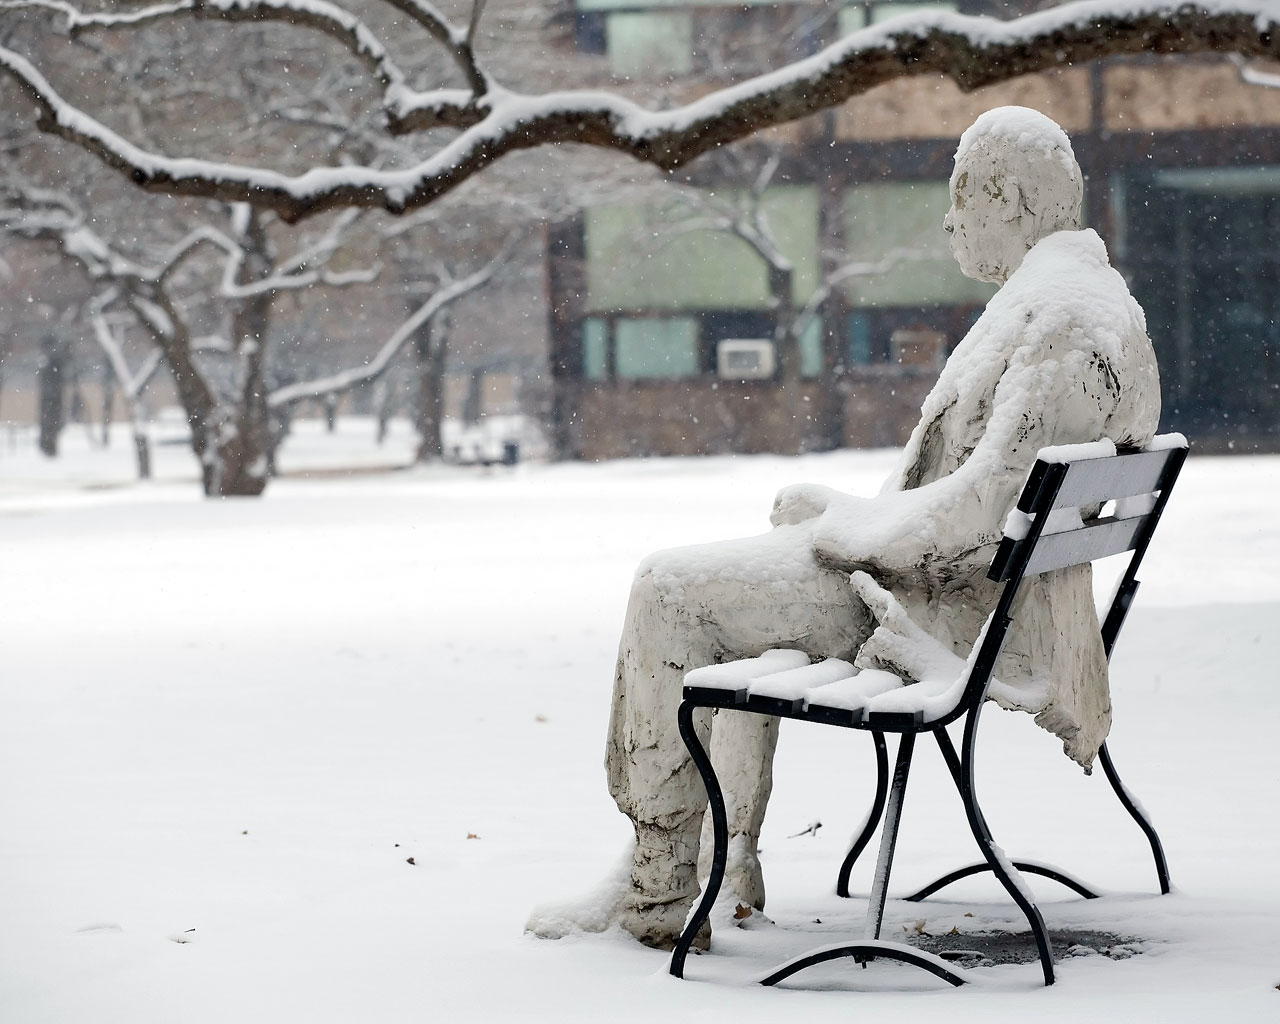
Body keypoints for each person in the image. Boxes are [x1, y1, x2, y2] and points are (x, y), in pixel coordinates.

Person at [529, 106, 1161, 951]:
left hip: (943, 617)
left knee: (670, 592)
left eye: (961, 194)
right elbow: (989, 498)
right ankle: (728, 853)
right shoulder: (1087, 306)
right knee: (774, 533)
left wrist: (854, 538)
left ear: (1009, 198)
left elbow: (979, 504)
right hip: (963, 591)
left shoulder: (1062, 323)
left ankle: (659, 881)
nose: (947, 219)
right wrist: (847, 517)